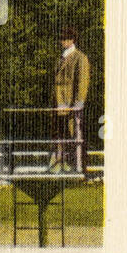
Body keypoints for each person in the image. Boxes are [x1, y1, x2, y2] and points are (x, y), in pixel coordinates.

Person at [51, 28, 90, 172]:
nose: (62, 41)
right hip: (58, 104)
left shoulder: (80, 57)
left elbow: (83, 81)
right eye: (61, 39)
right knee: (59, 135)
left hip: (71, 104)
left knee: (74, 134)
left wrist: (79, 103)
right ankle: (59, 166)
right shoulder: (60, 58)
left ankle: (78, 167)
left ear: (72, 40)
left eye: (65, 39)